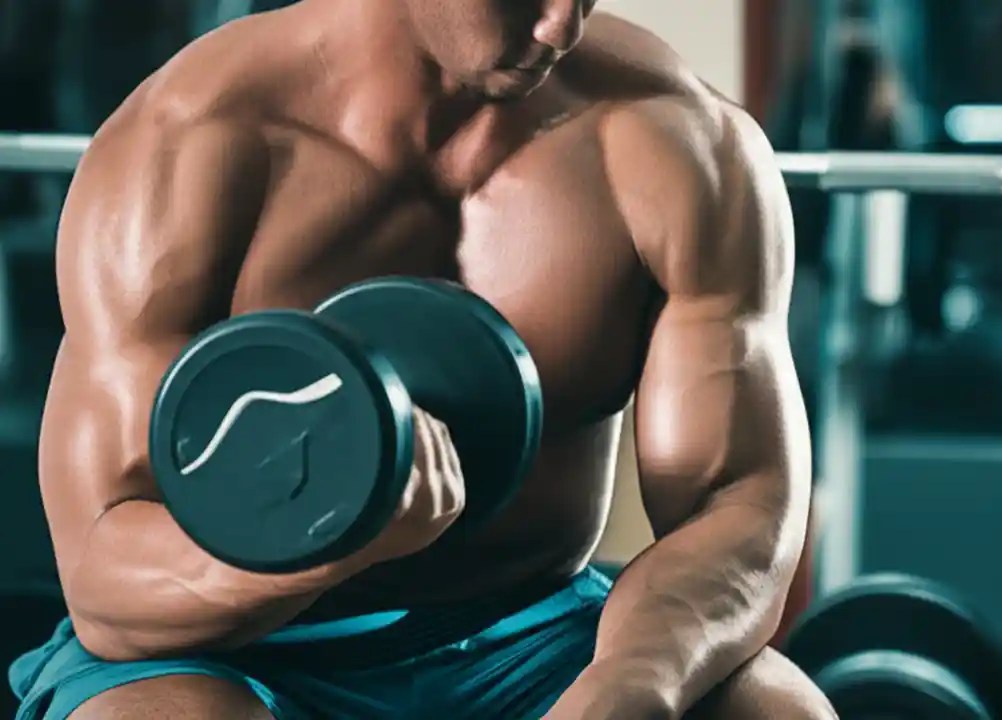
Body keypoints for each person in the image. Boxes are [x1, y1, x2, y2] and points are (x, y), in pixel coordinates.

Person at [9, 1, 833, 718]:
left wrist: (628, 685)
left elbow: (736, 500)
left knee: (778, 710)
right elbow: (103, 577)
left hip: (529, 636)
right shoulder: (186, 148)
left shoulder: (675, 142)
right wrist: (340, 544)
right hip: (235, 648)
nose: (561, 24)